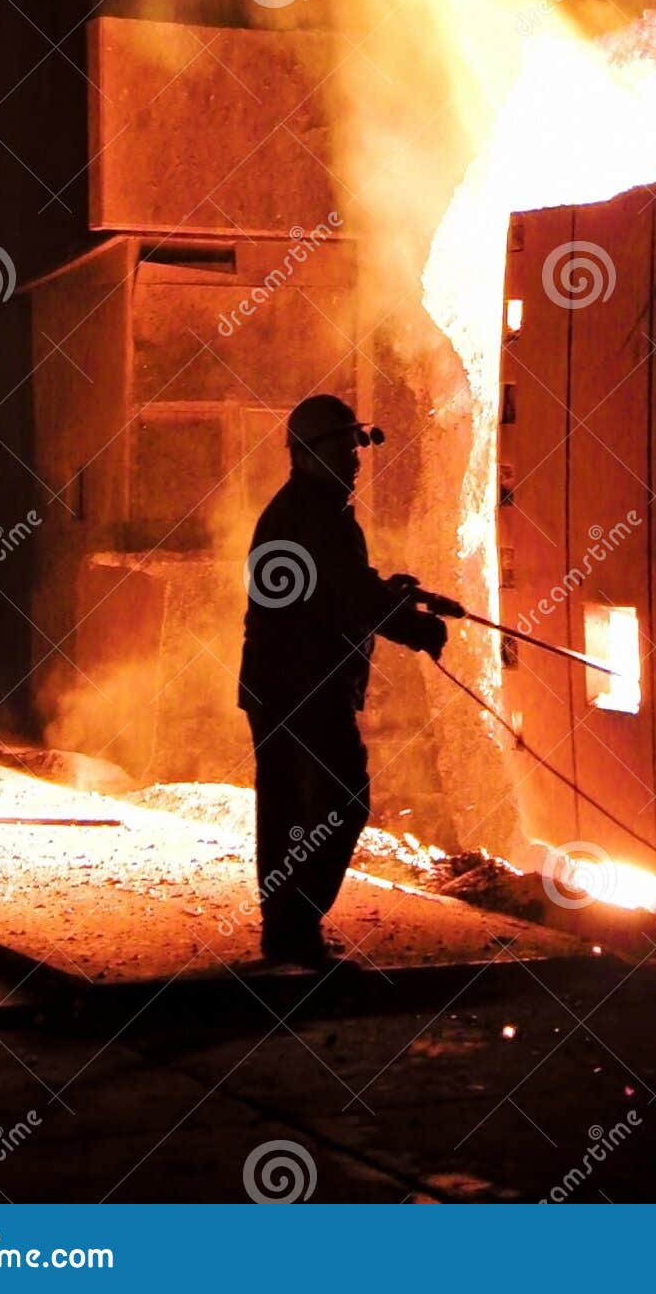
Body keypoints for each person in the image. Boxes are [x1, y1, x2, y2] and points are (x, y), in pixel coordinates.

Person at [238, 394, 448, 968]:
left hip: (281, 684)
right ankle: (295, 927)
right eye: (344, 447)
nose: (356, 458)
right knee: (341, 800)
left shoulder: (307, 508)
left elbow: (342, 583)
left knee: (288, 809)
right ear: (307, 453)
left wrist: (390, 593)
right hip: (304, 685)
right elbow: (345, 595)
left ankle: (286, 933)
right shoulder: (314, 513)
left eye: (357, 446)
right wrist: (412, 626)